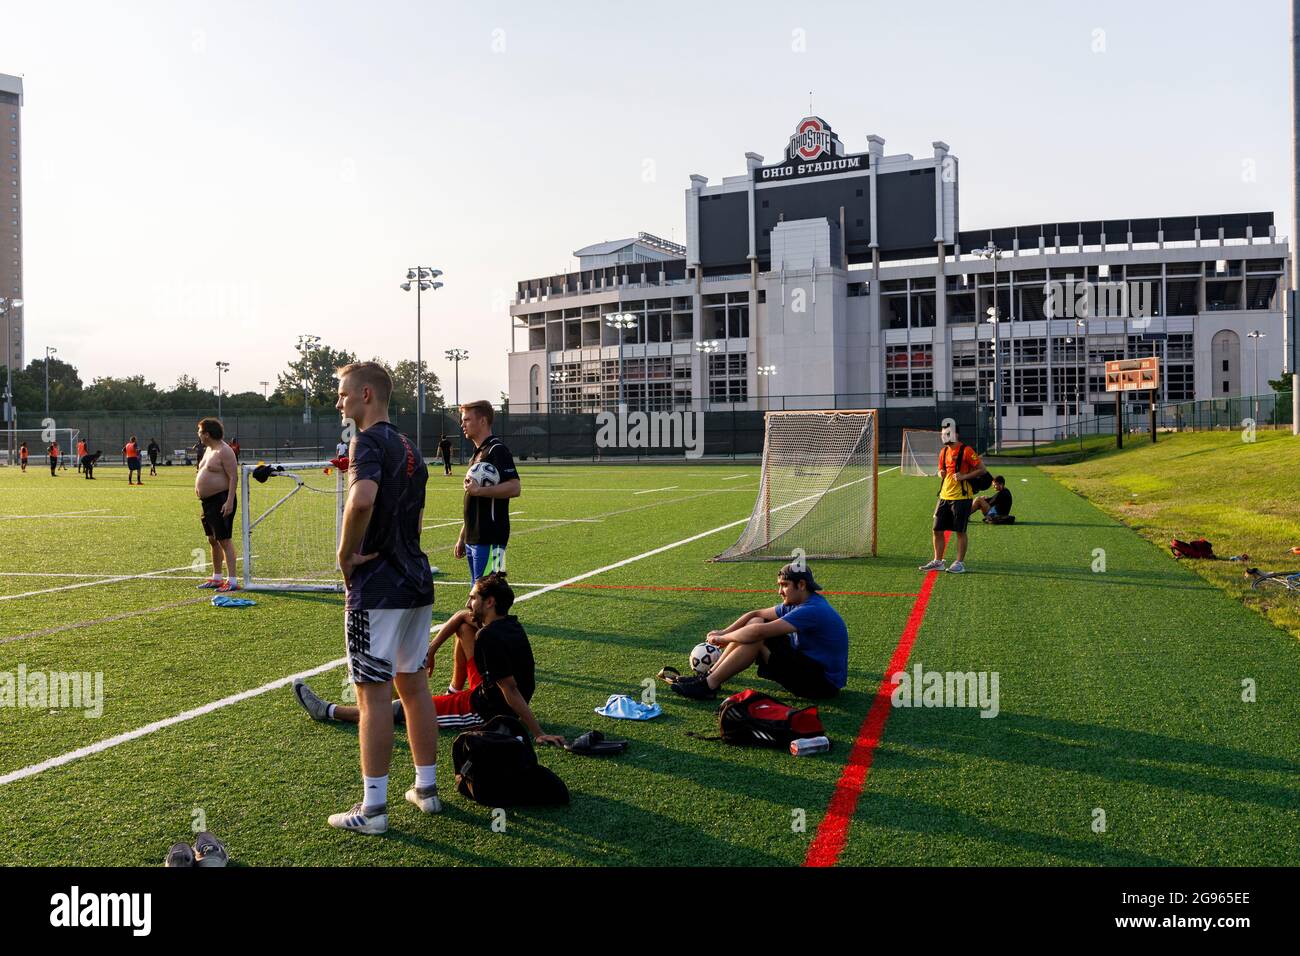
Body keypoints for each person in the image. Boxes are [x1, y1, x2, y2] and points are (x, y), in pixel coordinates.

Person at [326, 360, 440, 836]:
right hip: (416, 580)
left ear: (367, 394)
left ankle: (373, 810)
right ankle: (427, 790)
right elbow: (414, 519)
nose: (339, 401)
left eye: (343, 393)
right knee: (413, 686)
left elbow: (363, 498)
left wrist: (345, 552)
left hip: (378, 587)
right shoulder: (412, 445)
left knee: (372, 697)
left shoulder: (367, 441)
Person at [293, 573, 566, 747]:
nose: (469, 602)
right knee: (463, 628)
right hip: (488, 692)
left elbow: (511, 689)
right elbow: (462, 617)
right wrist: (432, 649)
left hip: (482, 710)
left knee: (406, 707)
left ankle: (328, 711)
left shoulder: (489, 638)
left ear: (490, 602)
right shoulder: (509, 624)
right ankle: (453, 690)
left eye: (474, 598)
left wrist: (537, 731)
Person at [671, 563, 848, 702]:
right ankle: (707, 679)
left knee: (758, 636)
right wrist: (725, 631)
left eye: (784, 585)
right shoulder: (801, 603)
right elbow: (755, 615)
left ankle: (708, 685)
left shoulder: (812, 610)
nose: (780, 591)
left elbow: (756, 633)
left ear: (801, 585)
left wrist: (723, 638)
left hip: (822, 684)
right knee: (757, 622)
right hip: (809, 667)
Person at [454, 401, 520, 580]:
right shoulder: (477, 453)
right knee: (479, 594)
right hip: (473, 537)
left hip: (492, 537)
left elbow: (515, 487)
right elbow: (474, 499)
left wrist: (479, 491)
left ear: (483, 421)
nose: (463, 424)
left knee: (489, 595)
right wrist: (463, 536)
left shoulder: (497, 450)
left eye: (467, 419)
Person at [918, 426, 987, 574]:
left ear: (956, 435)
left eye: (947, 434)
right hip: (944, 495)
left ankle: (959, 563)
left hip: (962, 497)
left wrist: (964, 476)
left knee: (960, 531)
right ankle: (938, 561)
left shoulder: (967, 450)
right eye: (942, 434)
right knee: (936, 529)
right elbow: (942, 471)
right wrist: (940, 473)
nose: (943, 437)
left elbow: (982, 469)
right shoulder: (943, 452)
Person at [194, 418, 240, 591]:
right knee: (212, 539)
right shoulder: (208, 449)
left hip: (221, 500)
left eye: (199, 431)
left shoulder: (224, 450)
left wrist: (229, 501)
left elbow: (233, 476)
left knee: (224, 540)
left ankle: (232, 581)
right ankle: (217, 577)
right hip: (207, 502)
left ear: (207, 434)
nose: (198, 434)